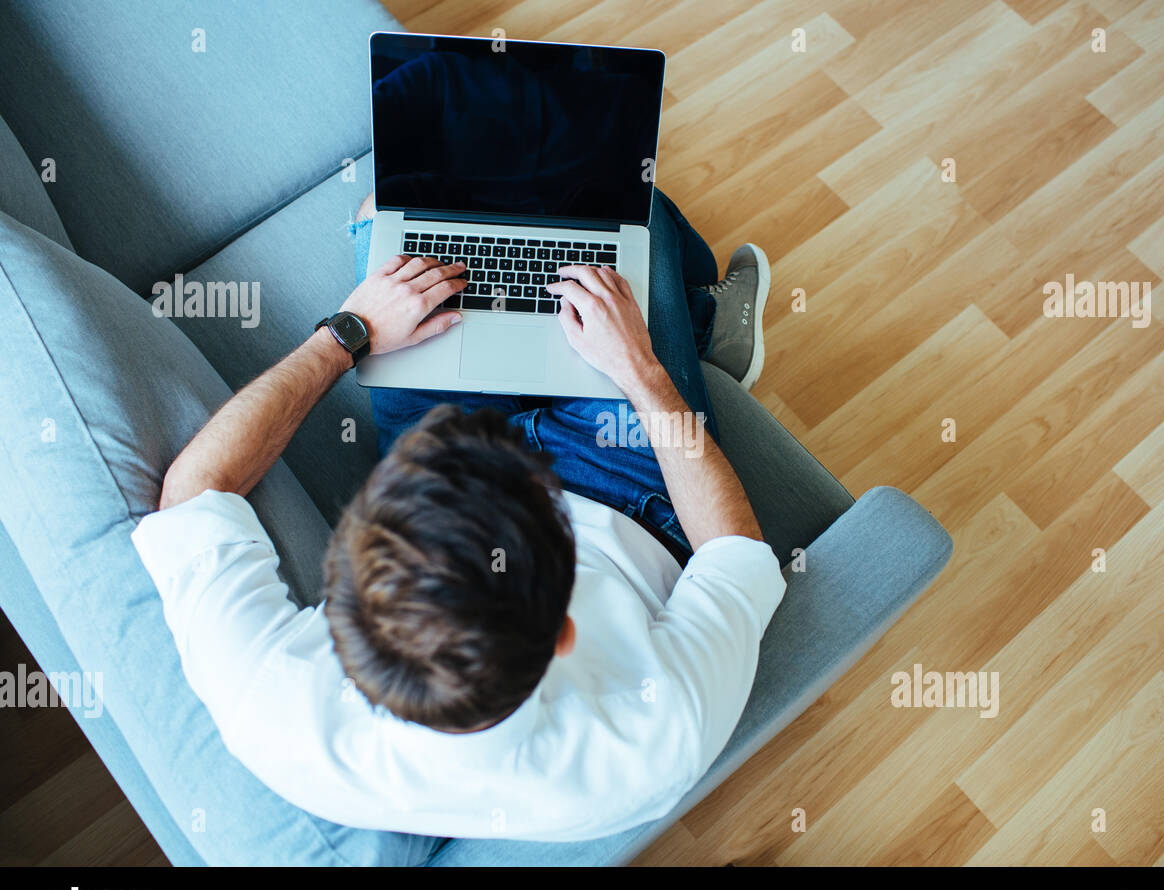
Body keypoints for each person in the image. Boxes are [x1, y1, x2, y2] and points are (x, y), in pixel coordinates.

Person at [130, 187, 786, 842]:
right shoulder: (659, 737)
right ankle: (707, 319)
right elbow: (736, 554)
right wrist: (642, 371)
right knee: (619, 204)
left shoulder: (274, 707)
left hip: (438, 440)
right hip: (625, 497)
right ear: (562, 630)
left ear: (346, 601)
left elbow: (193, 491)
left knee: (393, 212)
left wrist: (346, 335)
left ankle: (677, 314)